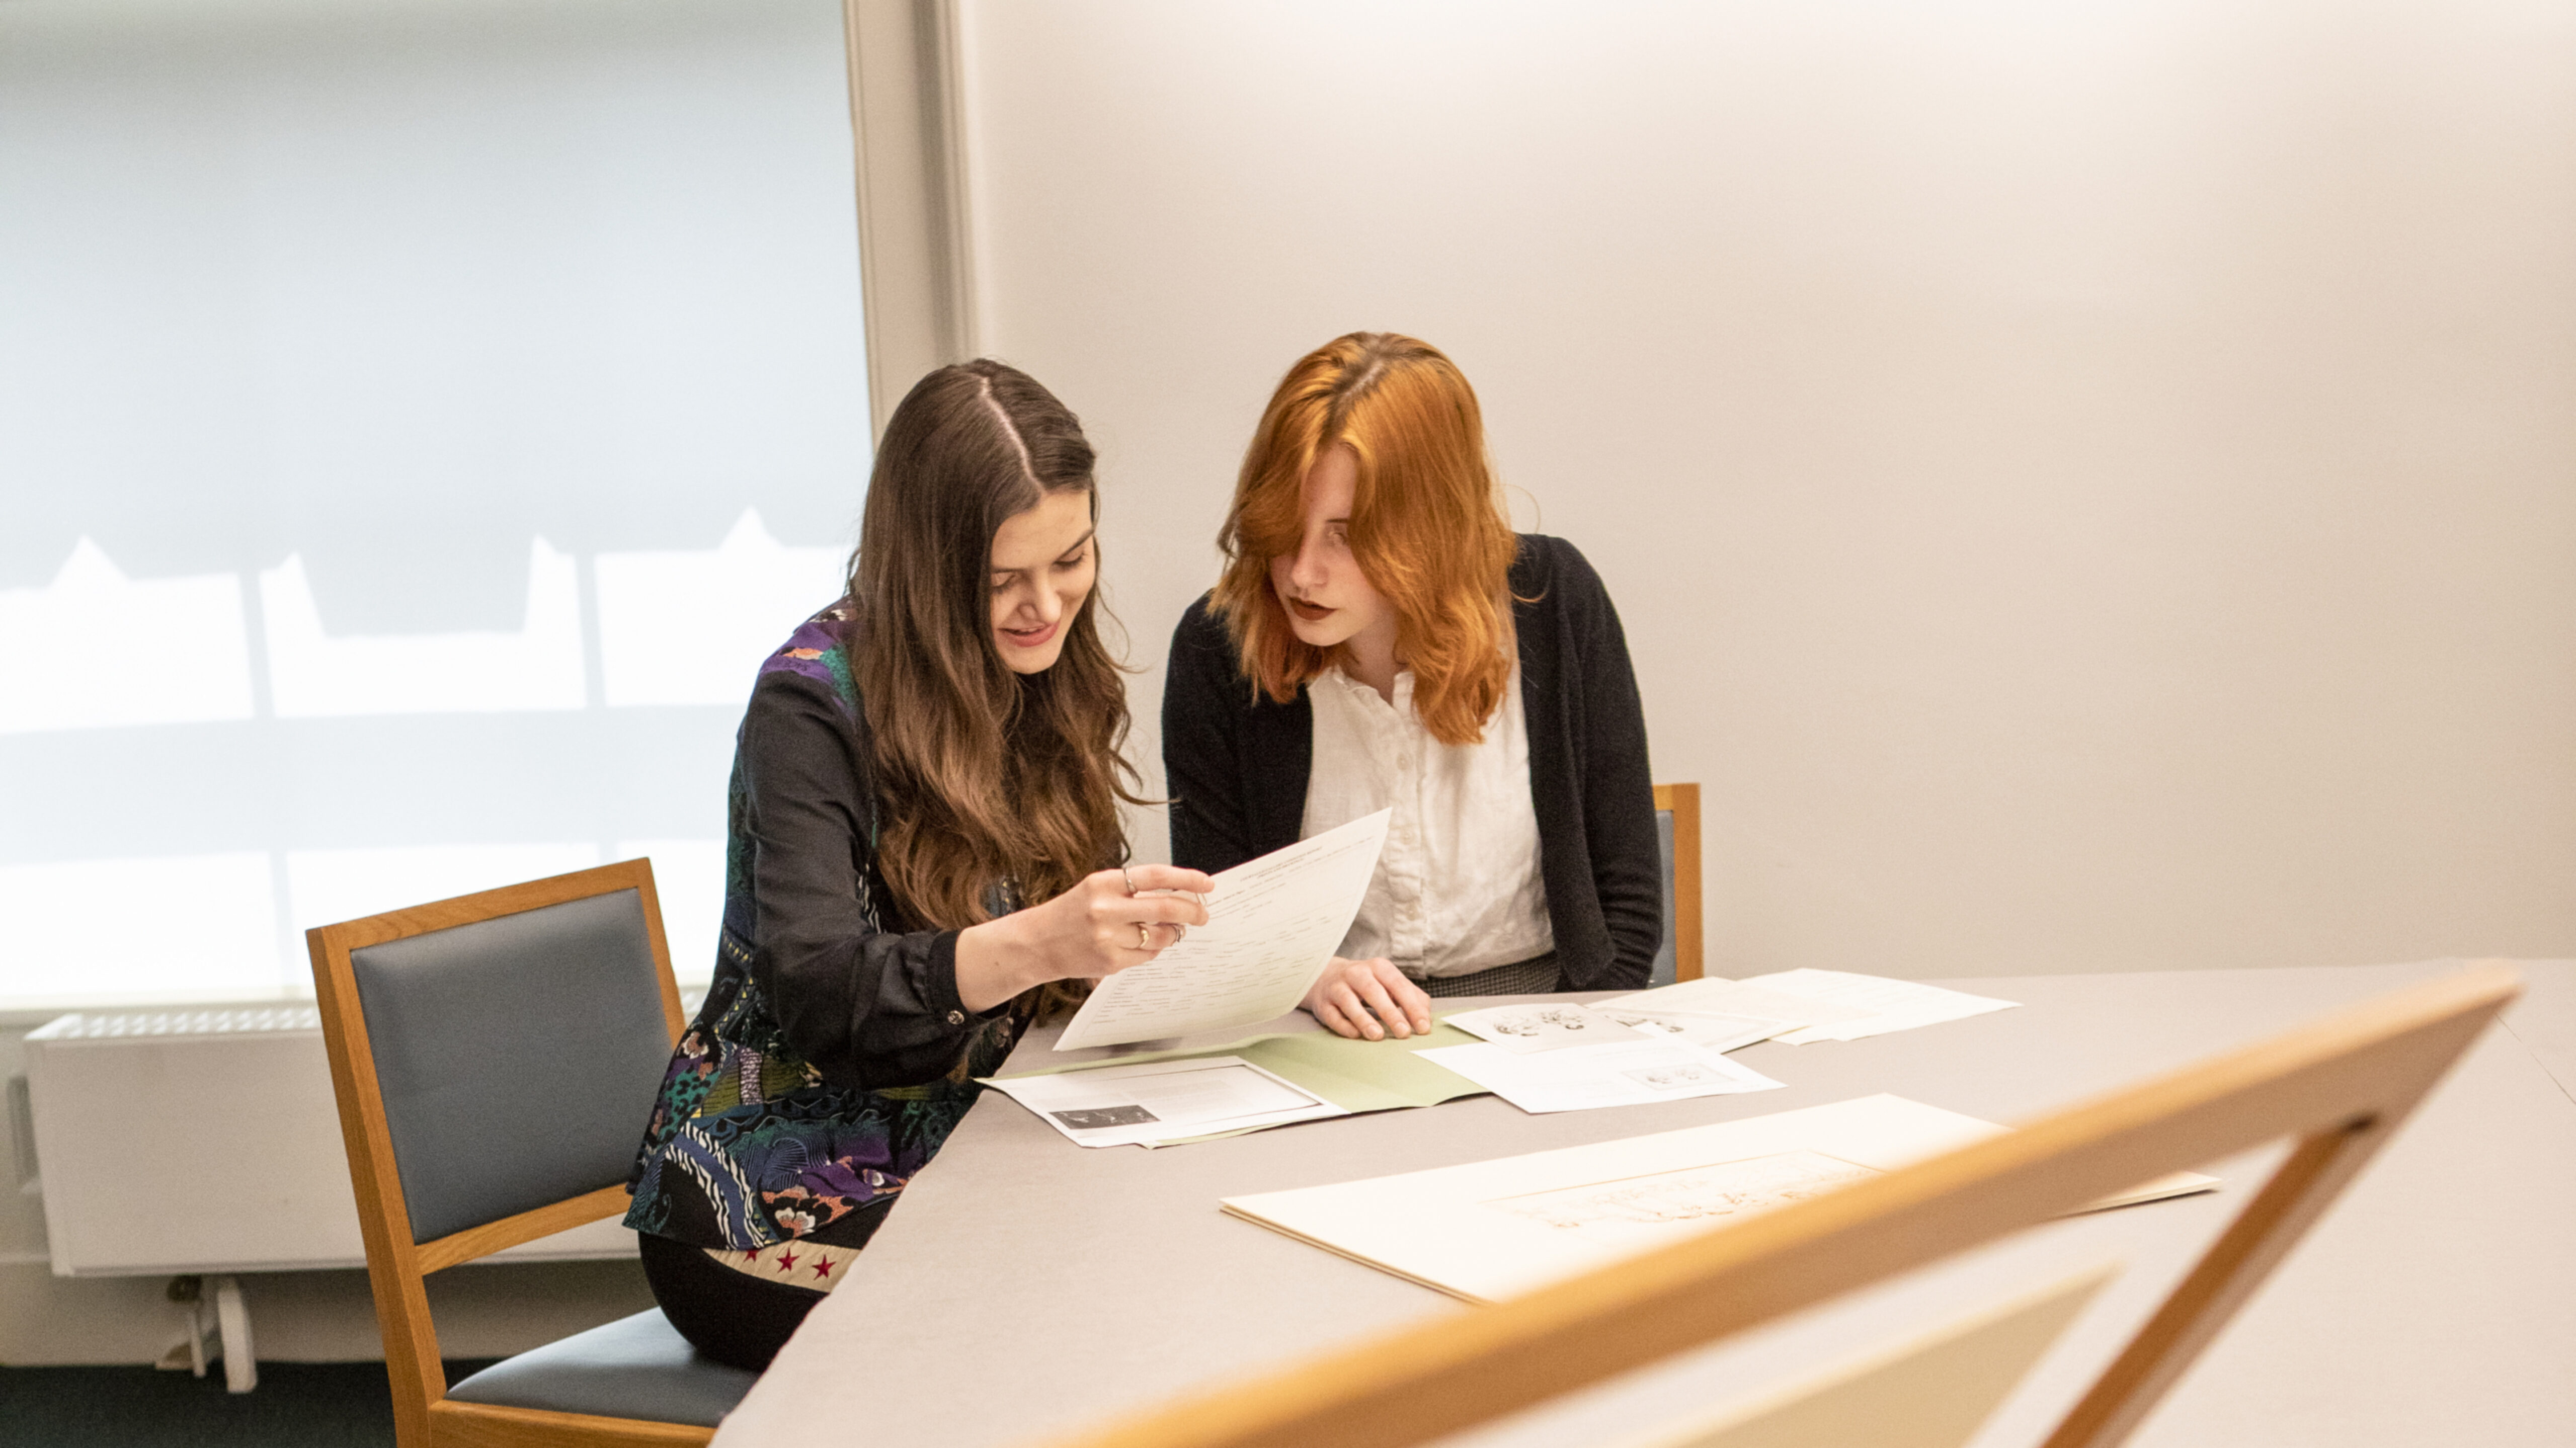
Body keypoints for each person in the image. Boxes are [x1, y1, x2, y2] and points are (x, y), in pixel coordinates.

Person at [624, 361, 1212, 1371]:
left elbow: (1071, 947)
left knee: (1182, 1245)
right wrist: (1038, 941)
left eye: (1071, 559)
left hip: (966, 1138)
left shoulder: (1038, 660)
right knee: (1075, 1313)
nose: (1045, 603)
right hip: (760, 1197)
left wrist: (1237, 954)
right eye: (999, 581)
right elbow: (820, 992)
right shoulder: (809, 705)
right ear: (924, 567)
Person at [1162, 332, 1660, 1043]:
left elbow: (1629, 911)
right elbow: (1224, 917)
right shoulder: (1218, 647)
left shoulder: (1555, 603)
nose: (1302, 572)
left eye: (1344, 533)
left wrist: (1574, 1051)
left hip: (1547, 1022)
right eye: (1284, 528)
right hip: (1313, 1025)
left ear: (1427, 526)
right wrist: (1311, 978)